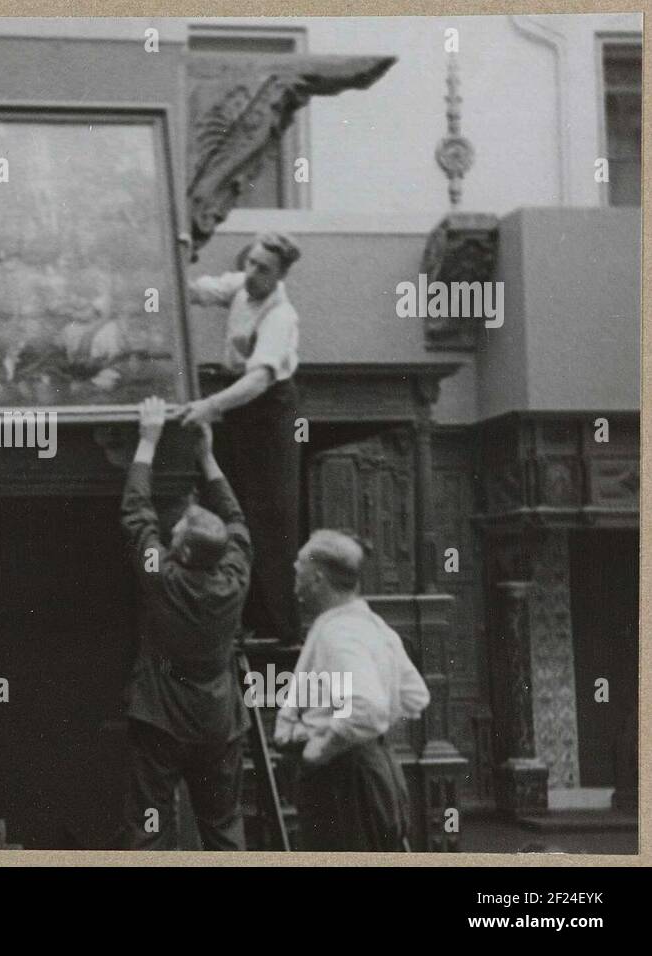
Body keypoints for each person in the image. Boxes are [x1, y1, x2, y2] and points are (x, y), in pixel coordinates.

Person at [119, 396, 252, 850]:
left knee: (150, 826)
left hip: (160, 718)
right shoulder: (234, 576)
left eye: (176, 533)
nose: (168, 532)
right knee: (222, 825)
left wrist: (147, 441)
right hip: (218, 721)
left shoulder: (163, 576)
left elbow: (137, 514)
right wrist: (208, 457)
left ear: (186, 552)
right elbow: (235, 520)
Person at [178, 232, 302, 644]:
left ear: (281, 274)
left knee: (268, 516)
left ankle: (279, 631)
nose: (251, 272)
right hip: (239, 403)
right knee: (229, 503)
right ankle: (237, 619)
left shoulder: (281, 315)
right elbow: (200, 290)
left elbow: (259, 379)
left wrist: (210, 407)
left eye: (262, 268)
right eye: (249, 262)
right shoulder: (245, 281)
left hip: (267, 409)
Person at [274, 529, 430, 851]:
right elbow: (414, 695)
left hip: (342, 784)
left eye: (299, 570)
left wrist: (321, 747)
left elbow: (366, 710)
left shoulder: (340, 634)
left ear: (318, 579)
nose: (294, 578)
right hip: (372, 769)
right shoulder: (371, 625)